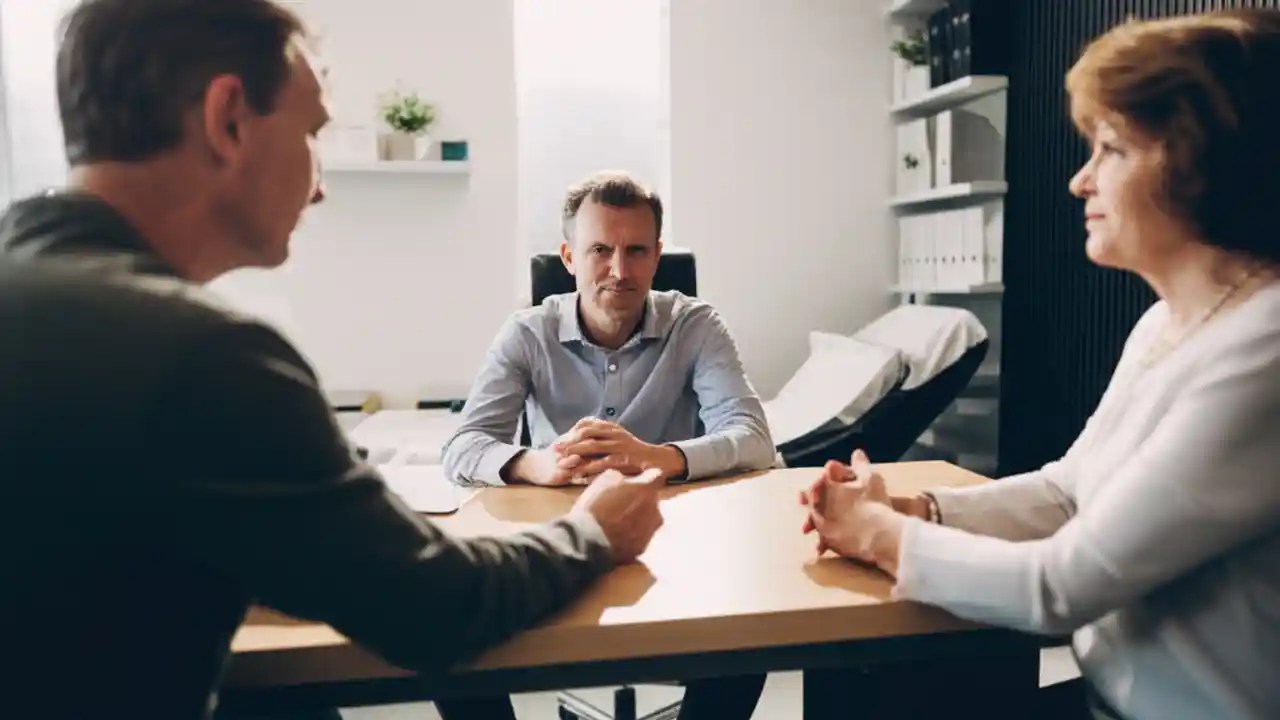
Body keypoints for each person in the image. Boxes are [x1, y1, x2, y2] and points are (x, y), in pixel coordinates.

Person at [0, 2, 666, 719]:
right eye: (313, 131)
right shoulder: (207, 358)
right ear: (228, 119)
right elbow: (436, 603)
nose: (320, 184)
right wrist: (592, 531)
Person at [801, 10, 1280, 720]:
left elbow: (1062, 586)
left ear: (1197, 160)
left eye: (1110, 149)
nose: (1080, 182)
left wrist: (876, 532)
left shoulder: (1265, 351)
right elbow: (1065, 493)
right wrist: (915, 508)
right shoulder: (1166, 322)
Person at [438, 172, 775, 719]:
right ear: (569, 257)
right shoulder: (527, 333)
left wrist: (655, 458)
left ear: (658, 255)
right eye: (601, 250)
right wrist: (535, 463)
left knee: (750, 631)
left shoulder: (696, 325)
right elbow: (462, 447)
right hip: (558, 542)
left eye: (636, 251)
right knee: (452, 631)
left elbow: (756, 440)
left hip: (674, 540)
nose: (619, 271)